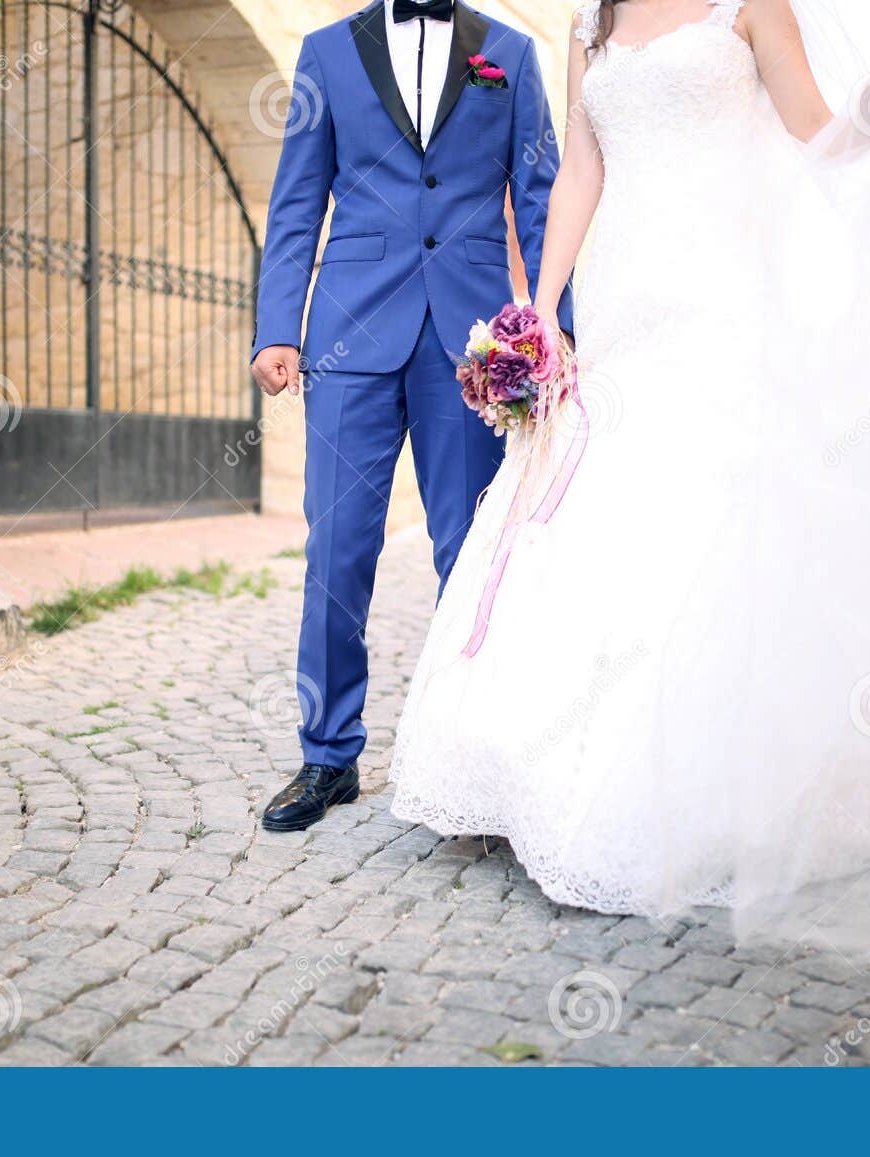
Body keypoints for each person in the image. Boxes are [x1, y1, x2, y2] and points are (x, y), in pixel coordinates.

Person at [389, 0, 870, 952]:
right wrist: (537, 311)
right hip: (620, 301)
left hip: (724, 294)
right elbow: (580, 172)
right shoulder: (590, 25)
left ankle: (687, 784)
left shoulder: (749, 7)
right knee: (598, 505)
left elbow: (815, 131)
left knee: (710, 498)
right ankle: (536, 770)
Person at [249, 0, 572, 833]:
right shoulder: (325, 54)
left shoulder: (510, 54)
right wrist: (278, 329)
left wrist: (555, 324)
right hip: (348, 333)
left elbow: (539, 196)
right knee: (337, 546)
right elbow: (295, 203)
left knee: (468, 550)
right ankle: (328, 755)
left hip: (469, 344)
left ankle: (466, 757)